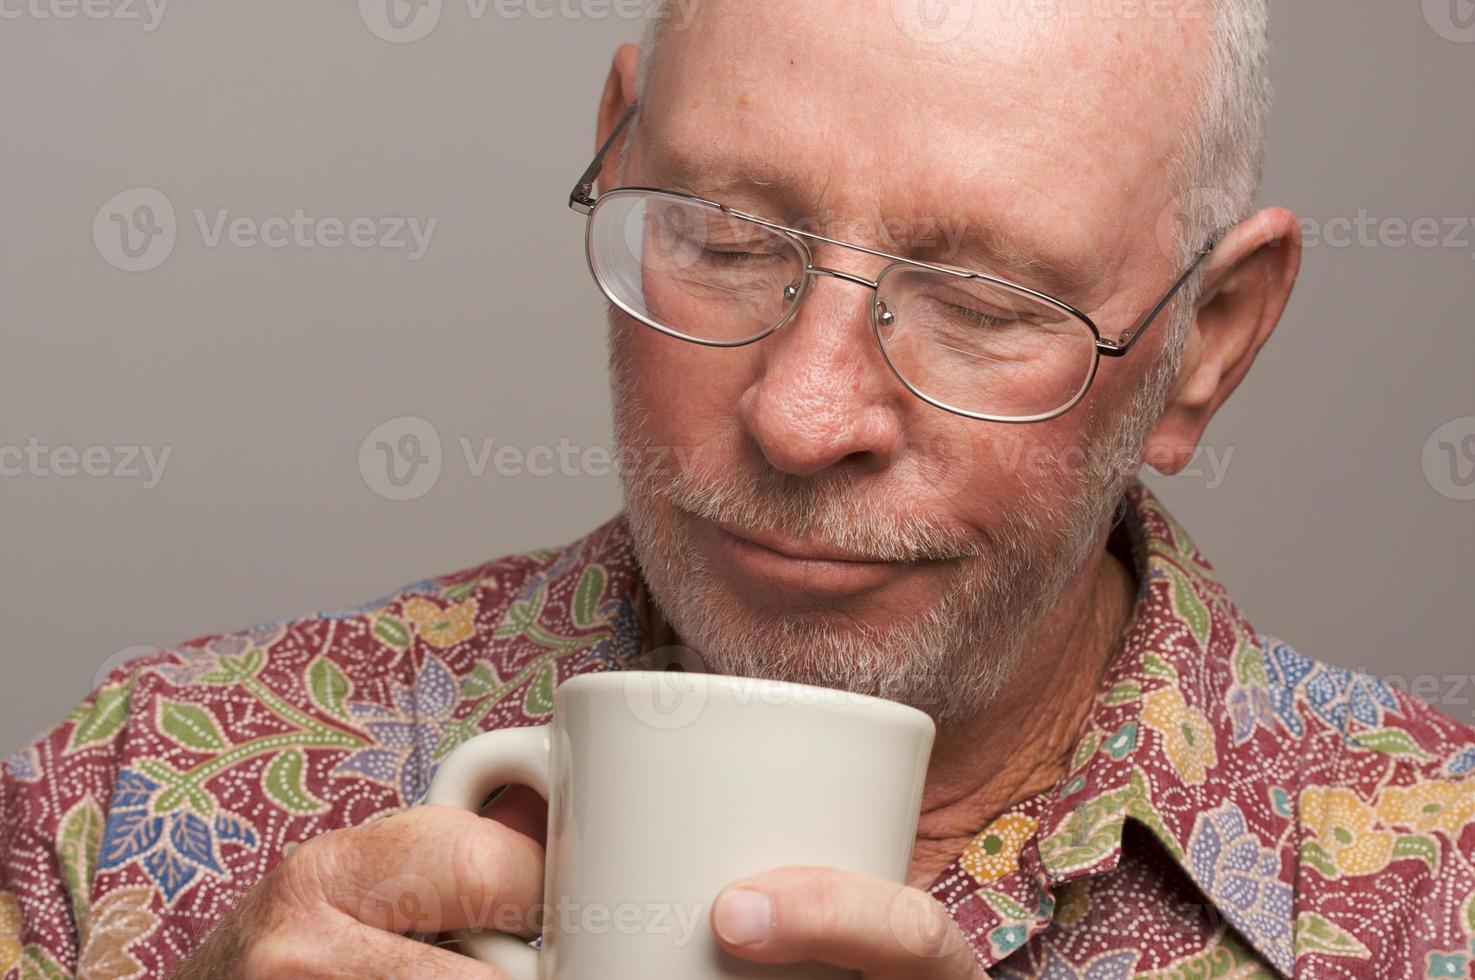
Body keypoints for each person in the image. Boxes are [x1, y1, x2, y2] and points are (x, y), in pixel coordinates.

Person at [5, 1, 1474, 977]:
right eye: (719, 235)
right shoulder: (142, 792)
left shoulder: (1440, 895)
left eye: (980, 298)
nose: (800, 410)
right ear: (614, 147)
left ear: (1209, 343)